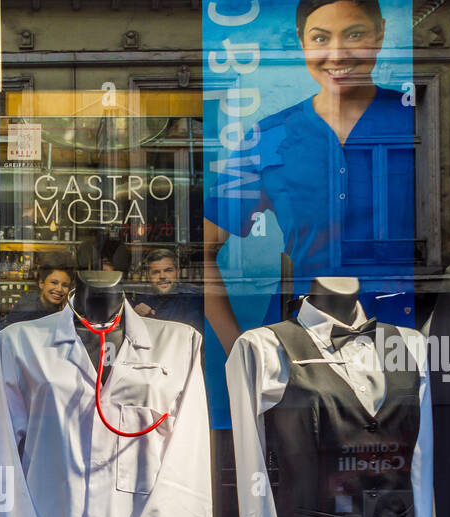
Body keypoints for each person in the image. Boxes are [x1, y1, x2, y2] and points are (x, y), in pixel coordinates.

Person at [204, 0, 416, 357]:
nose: (337, 53)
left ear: (380, 32)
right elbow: (202, 250)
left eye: (354, 34)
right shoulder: (267, 137)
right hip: (297, 340)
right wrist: (236, 350)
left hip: (397, 332)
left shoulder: (418, 120)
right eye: (320, 38)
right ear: (302, 41)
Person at [130, 248, 203, 328]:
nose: (162, 276)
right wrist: (135, 317)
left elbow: (193, 334)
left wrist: (150, 318)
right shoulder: (141, 299)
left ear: (177, 273)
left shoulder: (192, 298)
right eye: (156, 272)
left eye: (168, 271)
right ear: (148, 276)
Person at [2, 258, 73, 326]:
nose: (59, 289)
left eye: (65, 285)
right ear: (41, 283)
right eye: (54, 283)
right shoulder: (27, 308)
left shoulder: (64, 307)